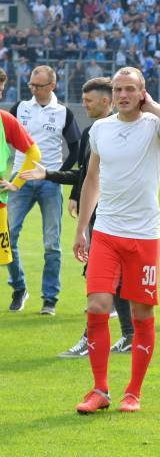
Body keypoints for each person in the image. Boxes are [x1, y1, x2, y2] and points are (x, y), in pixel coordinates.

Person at [72, 67, 160, 414]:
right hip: (106, 232)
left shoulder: (156, 126)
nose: (123, 95)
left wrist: (151, 106)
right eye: (118, 89)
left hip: (143, 236)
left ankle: (133, 392)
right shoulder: (101, 130)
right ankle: (99, 389)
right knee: (97, 307)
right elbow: (92, 178)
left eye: (130, 90)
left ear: (142, 92)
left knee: (141, 314)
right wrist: (82, 229)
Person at [15, 77, 136, 357]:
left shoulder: (125, 130)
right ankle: (128, 335)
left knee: (101, 281)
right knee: (109, 280)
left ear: (107, 101)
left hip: (117, 217)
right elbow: (85, 175)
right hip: (98, 217)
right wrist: (50, 175)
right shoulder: (91, 132)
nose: (84, 105)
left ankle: (91, 341)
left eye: (89, 101)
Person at [6, 65, 81, 314]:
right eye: (31, 85)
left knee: (52, 244)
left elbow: (75, 147)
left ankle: (50, 299)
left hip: (50, 181)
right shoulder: (19, 108)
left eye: (38, 85)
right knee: (7, 237)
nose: (33, 89)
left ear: (52, 86)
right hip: (20, 180)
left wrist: (58, 173)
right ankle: (19, 288)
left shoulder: (63, 113)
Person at [0, 69, 42, 268]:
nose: (0, 95)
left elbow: (34, 153)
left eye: (1, 91)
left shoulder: (5, 119)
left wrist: (16, 183)